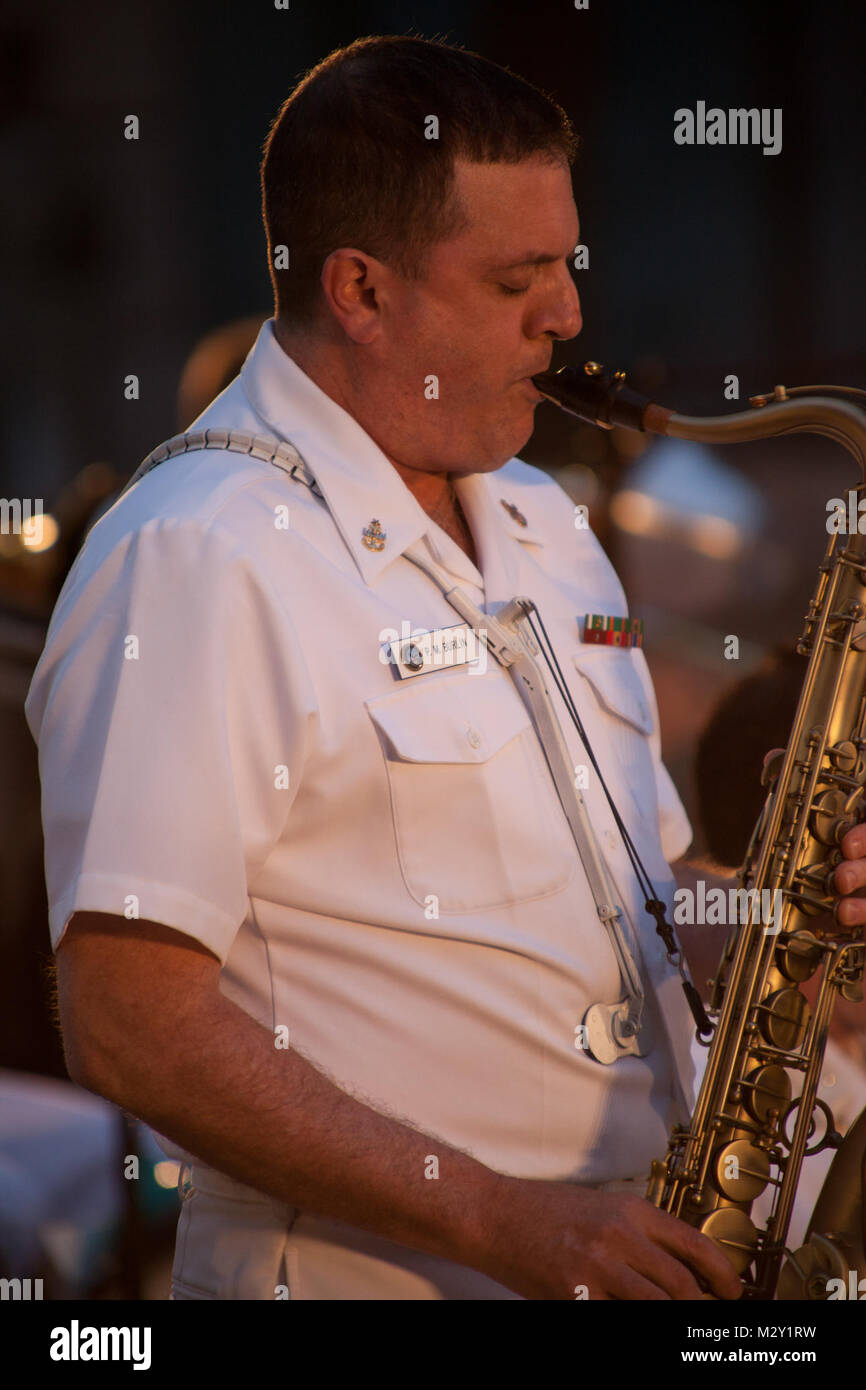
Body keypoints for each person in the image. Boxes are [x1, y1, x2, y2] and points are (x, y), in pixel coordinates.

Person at [24, 34, 866, 1302]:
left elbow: (632, 906)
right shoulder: (200, 550)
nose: (570, 316)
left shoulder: (543, 523)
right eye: (517, 278)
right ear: (361, 291)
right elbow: (129, 1020)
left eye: (565, 266)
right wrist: (503, 1223)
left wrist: (778, 913)